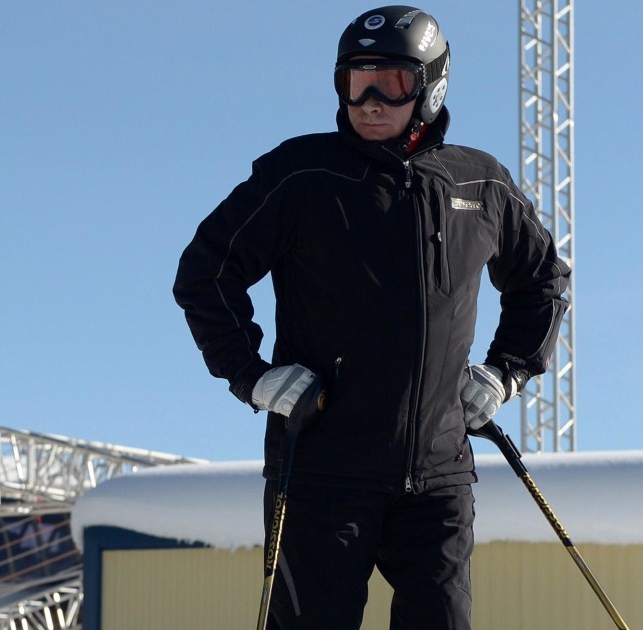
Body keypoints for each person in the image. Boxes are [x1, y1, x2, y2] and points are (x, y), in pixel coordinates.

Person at [173, 6, 569, 629]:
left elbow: (543, 280)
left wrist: (506, 372)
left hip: (438, 477)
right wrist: (251, 376)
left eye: (391, 83)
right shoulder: (302, 175)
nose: (369, 102)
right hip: (322, 474)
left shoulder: (480, 185)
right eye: (356, 83)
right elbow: (206, 273)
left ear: (431, 87)